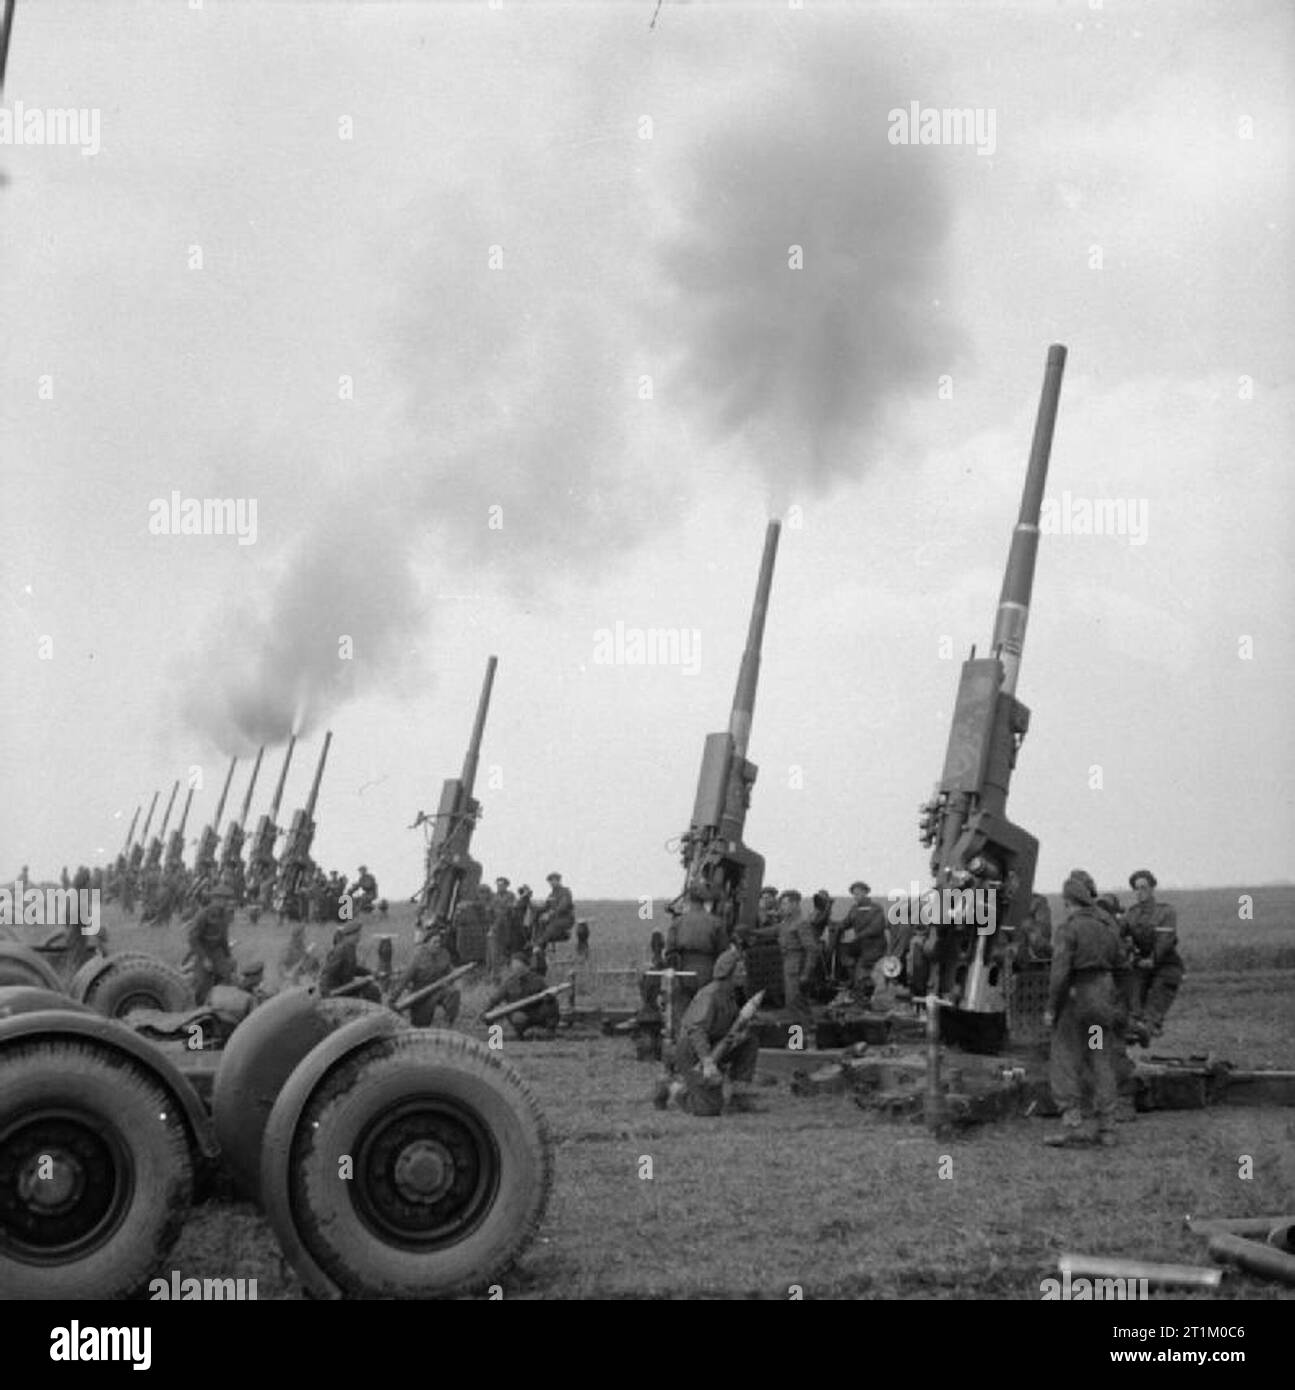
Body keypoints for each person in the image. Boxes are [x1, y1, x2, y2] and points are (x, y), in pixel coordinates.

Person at [1042, 875, 1124, 1148]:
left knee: (1065, 1056)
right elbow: (1121, 963)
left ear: (1068, 902)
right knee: (1100, 1058)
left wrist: (1052, 1008)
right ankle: (1107, 1127)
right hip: (1102, 999)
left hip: (1077, 999)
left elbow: (1060, 973)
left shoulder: (1069, 929)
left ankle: (1073, 1124)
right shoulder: (1107, 925)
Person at [656, 946, 760, 1116]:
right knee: (708, 1109)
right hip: (693, 1052)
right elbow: (697, 1030)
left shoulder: (729, 995)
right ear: (728, 972)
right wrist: (707, 1061)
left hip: (716, 1047)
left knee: (749, 1041)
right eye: (740, 970)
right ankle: (673, 1088)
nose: (745, 973)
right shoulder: (710, 995)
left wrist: (740, 1034)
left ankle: (739, 1096)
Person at [1122, 870, 1183, 1038]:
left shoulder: (1166, 911)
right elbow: (1120, 936)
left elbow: (1165, 939)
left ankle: (1150, 1025)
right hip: (1141, 963)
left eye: (1144, 887)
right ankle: (1134, 1026)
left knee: (1159, 993)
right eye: (1136, 888)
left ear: (1152, 888)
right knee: (1131, 995)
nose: (1140, 891)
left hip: (1165, 962)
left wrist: (1153, 959)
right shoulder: (1131, 914)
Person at [665, 888, 727, 1005]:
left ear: (689, 901)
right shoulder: (716, 922)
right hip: (708, 969)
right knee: (705, 1005)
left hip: (684, 971)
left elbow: (670, 951)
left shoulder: (678, 922)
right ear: (705, 902)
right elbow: (723, 951)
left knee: (685, 1006)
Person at [390, 925, 461, 1026]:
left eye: (439, 942)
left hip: (438, 990)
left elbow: (450, 973)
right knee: (421, 1023)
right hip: (421, 992)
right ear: (427, 944)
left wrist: (449, 982)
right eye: (434, 942)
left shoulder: (444, 954)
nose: (437, 945)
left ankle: (448, 1021)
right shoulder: (418, 957)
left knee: (454, 992)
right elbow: (404, 980)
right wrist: (393, 998)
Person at [484, 952, 560, 1039]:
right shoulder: (509, 983)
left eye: (519, 965)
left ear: (526, 966)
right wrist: (486, 1011)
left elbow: (550, 998)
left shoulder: (537, 980)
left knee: (551, 1004)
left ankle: (549, 1031)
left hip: (537, 1013)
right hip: (520, 1014)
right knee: (518, 1018)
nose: (516, 968)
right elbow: (495, 999)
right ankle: (522, 1034)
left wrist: (549, 999)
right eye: (514, 966)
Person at [839, 881, 887, 1003]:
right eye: (854, 894)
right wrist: (836, 926)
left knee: (862, 970)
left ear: (866, 892)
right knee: (844, 954)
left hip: (874, 947)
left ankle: (861, 990)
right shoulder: (854, 909)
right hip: (861, 946)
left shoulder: (876, 909)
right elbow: (846, 922)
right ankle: (850, 982)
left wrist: (859, 936)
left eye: (858, 893)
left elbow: (876, 927)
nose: (856, 896)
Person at [188, 888, 236, 1005]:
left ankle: (218, 1005)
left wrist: (228, 956)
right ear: (214, 899)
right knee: (202, 984)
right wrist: (204, 959)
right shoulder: (203, 915)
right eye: (222, 899)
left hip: (217, 952)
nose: (225, 902)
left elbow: (223, 938)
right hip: (204, 951)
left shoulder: (224, 915)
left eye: (226, 899)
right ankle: (199, 1008)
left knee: (226, 978)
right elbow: (193, 938)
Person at [776, 890, 818, 1020]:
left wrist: (806, 973)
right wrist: (754, 933)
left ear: (794, 904)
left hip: (796, 966)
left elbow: (811, 949)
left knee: (794, 1004)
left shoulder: (801, 922)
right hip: (789, 964)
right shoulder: (787, 921)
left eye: (784, 903)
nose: (782, 907)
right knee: (795, 1002)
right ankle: (805, 1033)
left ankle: (800, 1037)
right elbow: (775, 929)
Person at [318, 920, 381, 1002]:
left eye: (359, 934)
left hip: (345, 986)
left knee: (371, 989)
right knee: (371, 991)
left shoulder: (350, 948)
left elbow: (353, 968)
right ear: (348, 936)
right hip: (335, 990)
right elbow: (328, 972)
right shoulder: (341, 950)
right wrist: (327, 992)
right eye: (357, 935)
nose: (359, 937)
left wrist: (370, 972)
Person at [535, 872, 575, 946]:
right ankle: (539, 947)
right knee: (538, 924)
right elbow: (545, 906)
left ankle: (538, 945)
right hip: (554, 918)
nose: (551, 883)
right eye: (550, 881)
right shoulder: (551, 894)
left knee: (551, 927)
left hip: (565, 918)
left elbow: (563, 906)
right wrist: (533, 906)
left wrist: (549, 914)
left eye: (553, 881)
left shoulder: (565, 892)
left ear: (558, 881)